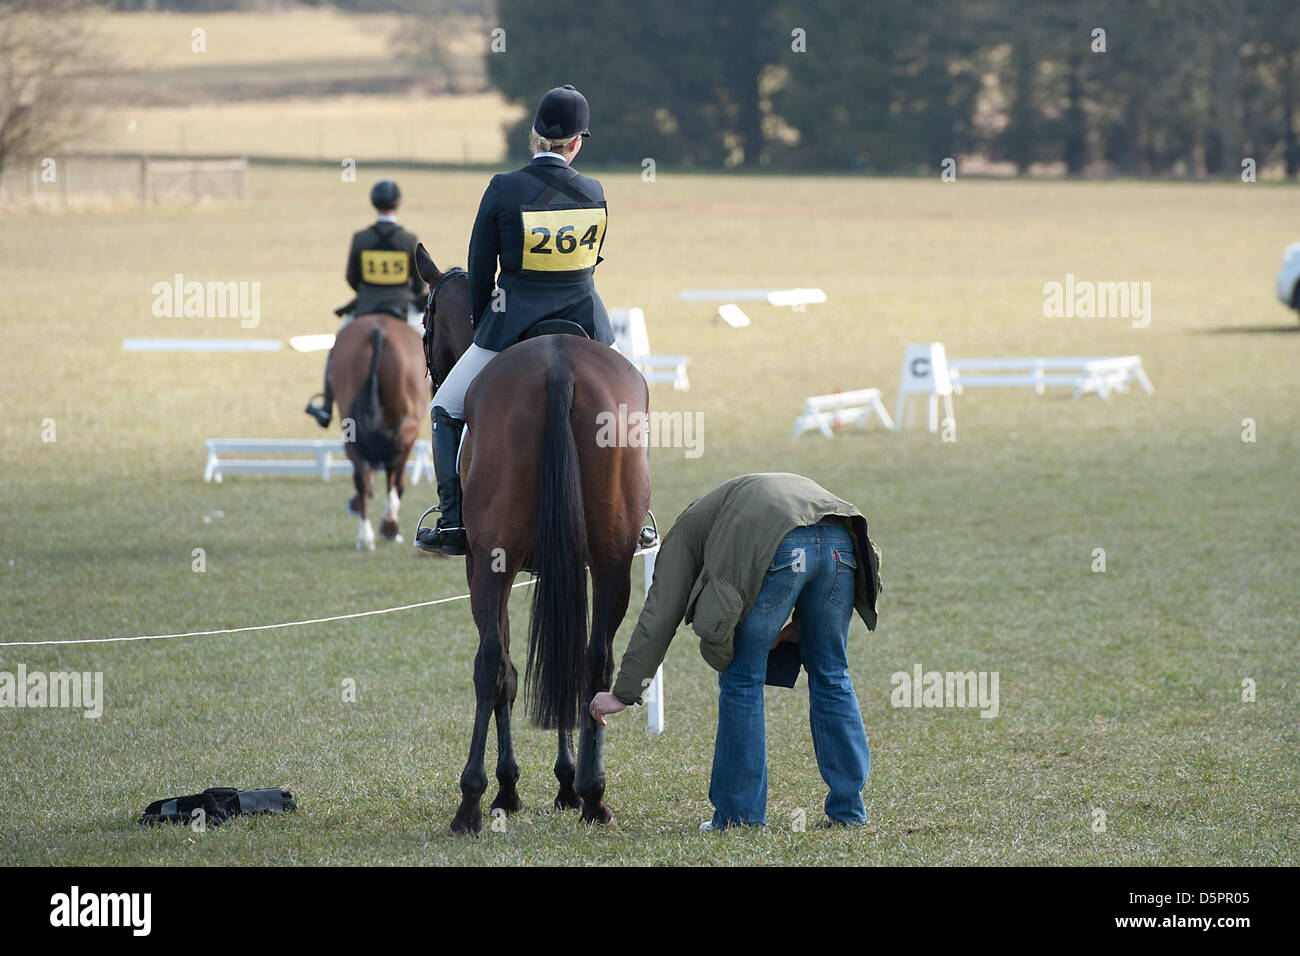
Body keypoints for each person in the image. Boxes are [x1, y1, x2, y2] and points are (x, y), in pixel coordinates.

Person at [589, 473, 884, 830]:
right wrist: (796, 627)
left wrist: (623, 692)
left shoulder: (684, 533)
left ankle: (738, 817)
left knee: (742, 680)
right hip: (841, 541)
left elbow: (661, 611)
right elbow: (815, 554)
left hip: (781, 544)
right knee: (833, 675)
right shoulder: (721, 508)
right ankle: (849, 812)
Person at [415, 84, 616, 556]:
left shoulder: (503, 187)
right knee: (627, 410)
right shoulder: (595, 191)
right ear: (577, 142)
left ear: (535, 135)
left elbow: (480, 268)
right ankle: (635, 516)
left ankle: (450, 521)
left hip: (512, 324)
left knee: (445, 410)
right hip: (588, 325)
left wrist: (485, 326)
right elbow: (591, 263)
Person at [305, 178, 426, 428]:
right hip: (403, 308)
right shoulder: (408, 239)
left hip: (366, 307)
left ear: (374, 203)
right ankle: (439, 400)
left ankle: (327, 406)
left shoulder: (361, 238)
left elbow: (352, 278)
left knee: (337, 348)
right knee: (429, 346)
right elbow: (418, 281)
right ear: (398, 203)